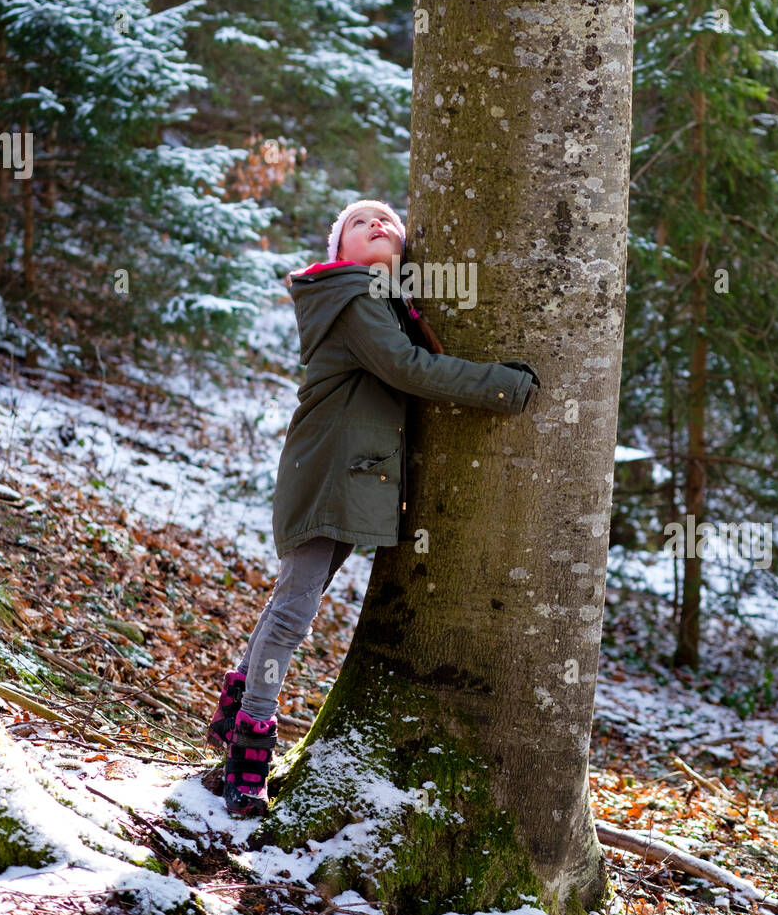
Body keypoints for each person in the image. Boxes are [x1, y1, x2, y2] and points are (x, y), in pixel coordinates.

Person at [206, 199, 541, 817]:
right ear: (340, 249)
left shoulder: (379, 298)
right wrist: (503, 384)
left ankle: (233, 712)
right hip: (331, 467)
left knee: (290, 600)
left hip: (344, 468)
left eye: (387, 221)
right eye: (359, 223)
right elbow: (405, 367)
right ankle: (250, 748)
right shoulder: (355, 295)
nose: (377, 225)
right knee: (293, 612)